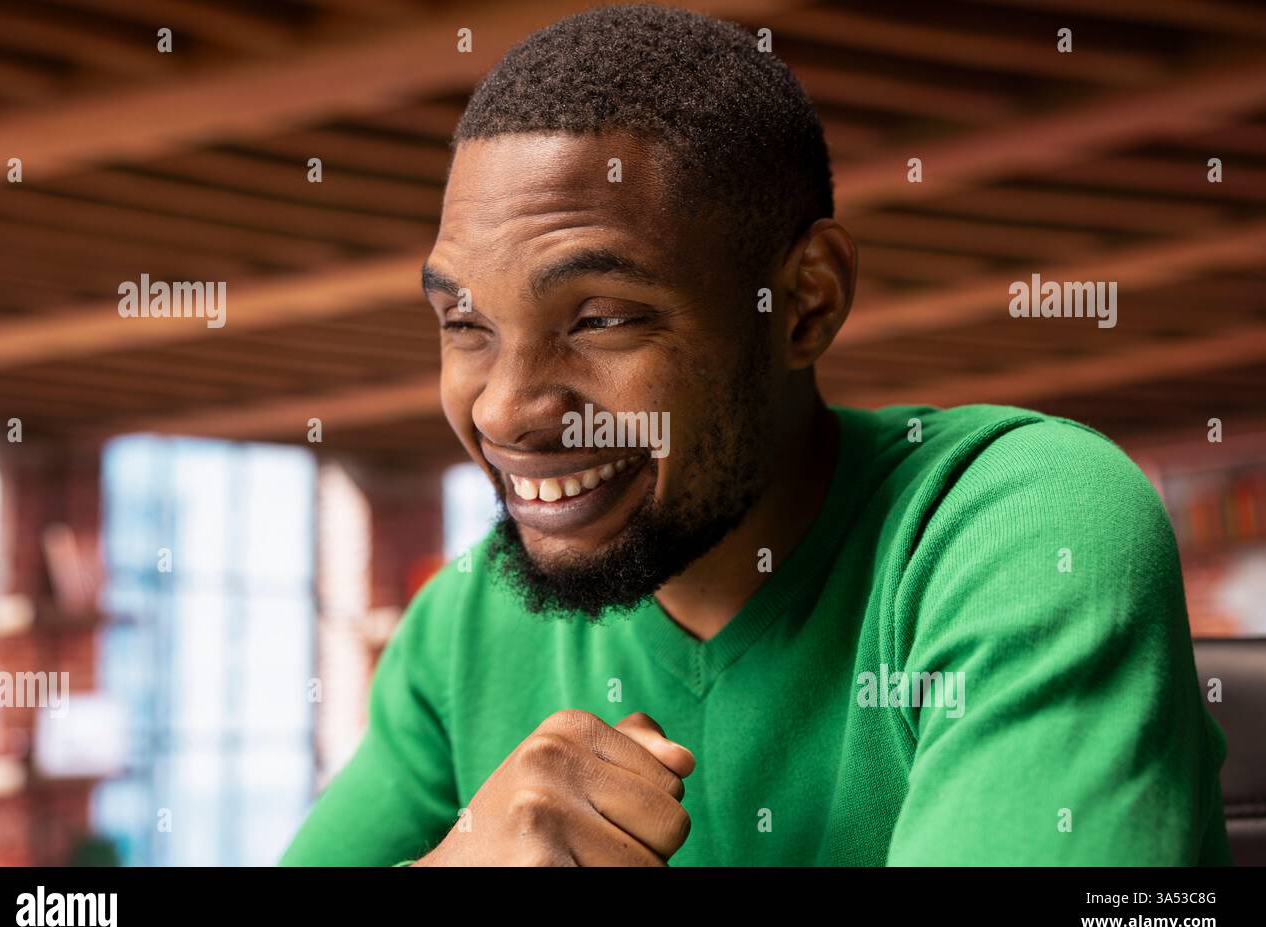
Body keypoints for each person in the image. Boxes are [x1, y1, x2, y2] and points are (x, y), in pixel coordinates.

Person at [281, 4, 1230, 866]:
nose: (503, 410)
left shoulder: (1022, 519)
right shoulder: (467, 624)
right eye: (466, 325)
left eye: (603, 317)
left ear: (806, 303)